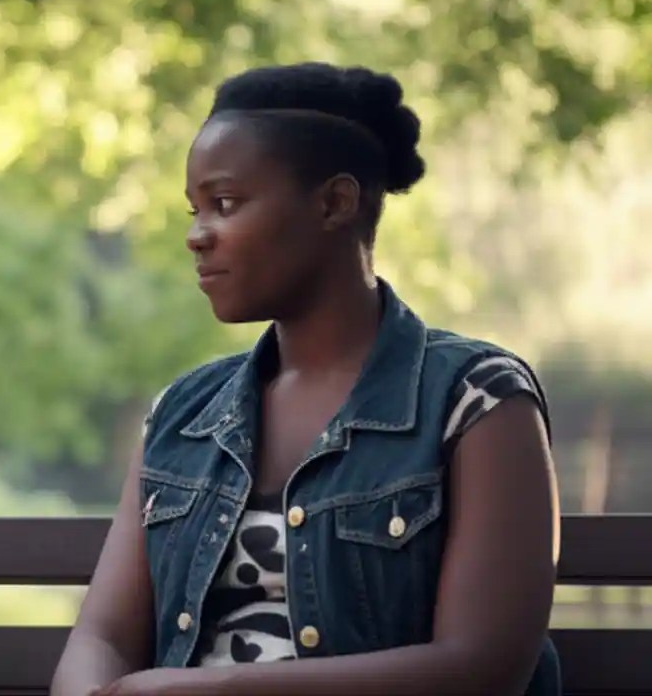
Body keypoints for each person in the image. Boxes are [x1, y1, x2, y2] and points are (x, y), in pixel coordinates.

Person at [51, 63, 560, 696]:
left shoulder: (477, 399)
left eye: (225, 204)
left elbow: (484, 667)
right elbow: (100, 637)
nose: (196, 236)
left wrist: (212, 691)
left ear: (334, 203)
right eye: (195, 209)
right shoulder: (183, 414)